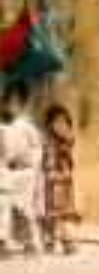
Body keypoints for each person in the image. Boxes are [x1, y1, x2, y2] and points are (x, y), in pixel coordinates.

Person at [0, 82, 44, 256]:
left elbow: (37, 148)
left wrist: (31, 164)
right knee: (2, 205)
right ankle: (2, 241)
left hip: (25, 174)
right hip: (4, 172)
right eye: (7, 102)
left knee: (24, 209)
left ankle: (30, 241)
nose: (11, 106)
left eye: (16, 103)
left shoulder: (27, 126)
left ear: (23, 105)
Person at [41, 104, 80, 256]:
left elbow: (71, 141)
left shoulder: (66, 140)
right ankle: (55, 239)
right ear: (49, 125)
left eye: (64, 122)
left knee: (64, 212)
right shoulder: (48, 143)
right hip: (53, 181)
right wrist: (51, 173)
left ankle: (64, 240)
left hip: (66, 181)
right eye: (56, 123)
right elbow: (48, 162)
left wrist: (66, 134)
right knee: (54, 212)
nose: (60, 126)